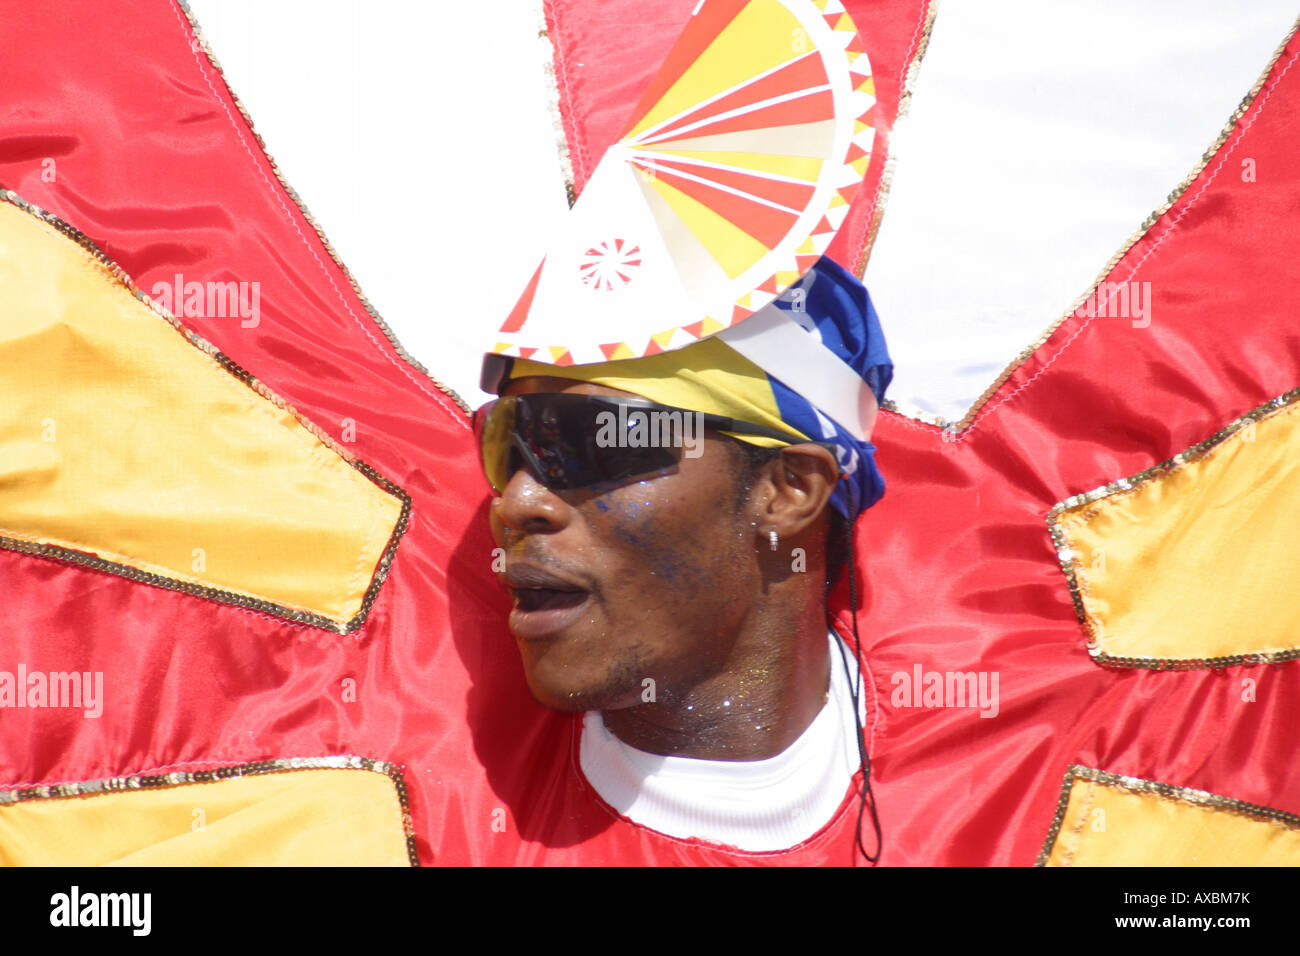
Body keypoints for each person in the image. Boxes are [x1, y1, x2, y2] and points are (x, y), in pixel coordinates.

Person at [474, 256, 892, 856]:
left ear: (789, 489)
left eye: (592, 441)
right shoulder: (385, 821)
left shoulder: (1021, 808)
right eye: (503, 443)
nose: (517, 502)